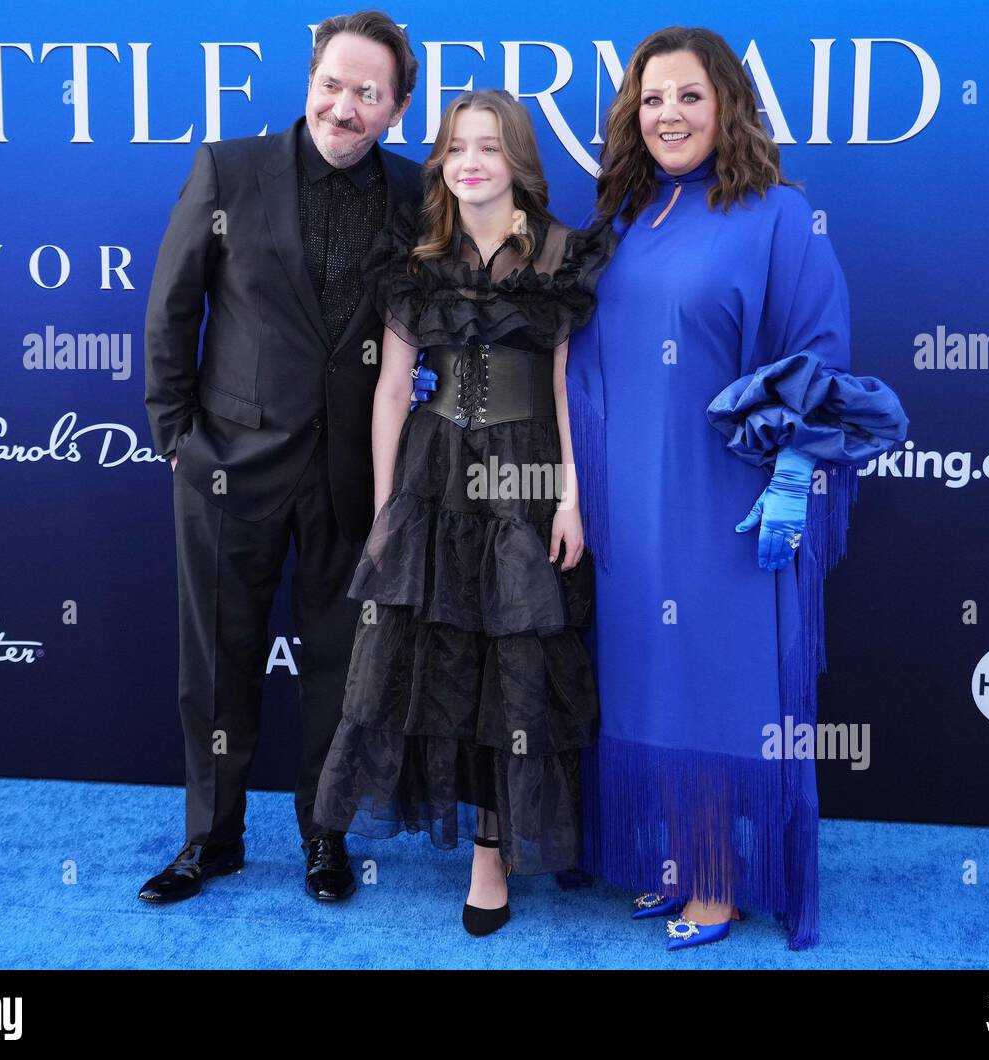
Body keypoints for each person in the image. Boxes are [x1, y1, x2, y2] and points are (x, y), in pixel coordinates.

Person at [563, 27, 909, 950]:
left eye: (687, 96)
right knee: (644, 678)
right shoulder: (628, 215)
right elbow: (582, 355)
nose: (668, 114)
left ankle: (718, 877)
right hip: (626, 501)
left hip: (723, 500)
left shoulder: (777, 214)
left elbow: (819, 353)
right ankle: (676, 855)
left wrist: (796, 470)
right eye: (651, 99)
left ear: (727, 105)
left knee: (716, 682)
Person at [312, 88, 618, 936]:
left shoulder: (562, 251)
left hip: (523, 477)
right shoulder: (416, 253)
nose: (470, 161)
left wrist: (571, 497)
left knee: (512, 669)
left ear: (519, 160)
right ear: (441, 161)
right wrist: (385, 511)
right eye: (455, 147)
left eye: (489, 146)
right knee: (437, 658)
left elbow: (567, 385)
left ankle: (493, 857)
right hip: (433, 477)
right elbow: (389, 392)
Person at [139, 11, 424, 905]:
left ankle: (324, 835)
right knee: (218, 661)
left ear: (397, 107)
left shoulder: (418, 193)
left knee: (342, 667)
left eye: (366, 93)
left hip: (354, 471)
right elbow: (172, 308)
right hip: (228, 463)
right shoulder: (230, 169)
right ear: (311, 82)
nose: (344, 106)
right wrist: (177, 439)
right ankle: (210, 840)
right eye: (332, 85)